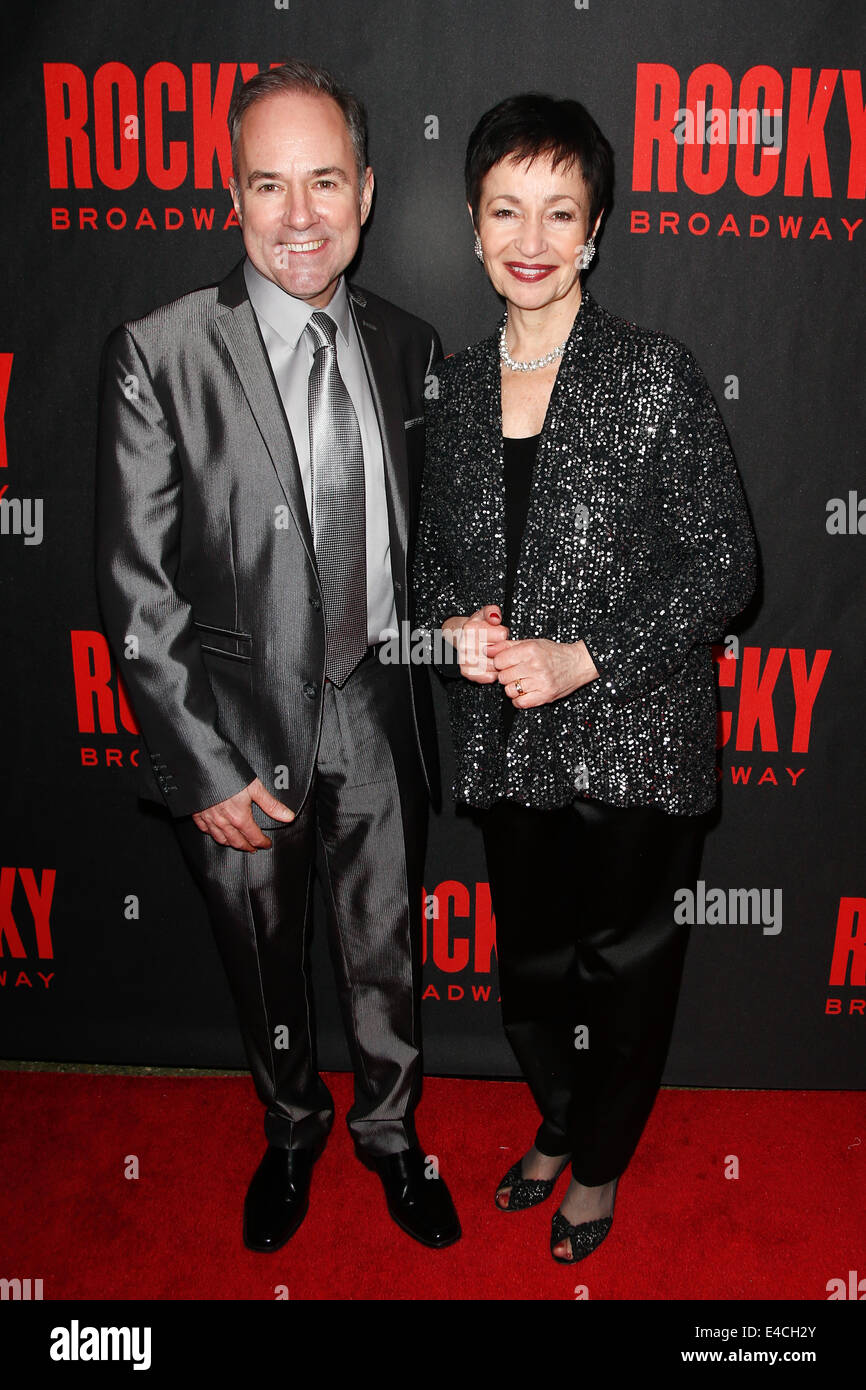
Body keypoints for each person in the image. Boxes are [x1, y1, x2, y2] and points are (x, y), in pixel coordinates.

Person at [95, 60, 460, 1253]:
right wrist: (199, 767)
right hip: (239, 730)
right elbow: (138, 588)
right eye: (268, 185)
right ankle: (291, 1131)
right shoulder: (159, 351)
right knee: (263, 966)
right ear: (230, 195)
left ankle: (394, 1139)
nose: (297, 217)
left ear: (363, 192)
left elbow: (429, 536)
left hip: (380, 707)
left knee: (386, 952)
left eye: (322, 183)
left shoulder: (410, 345)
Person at [413, 92, 756, 1263]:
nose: (531, 237)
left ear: (595, 230)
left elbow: (726, 566)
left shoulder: (652, 372)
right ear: (470, 223)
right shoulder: (451, 396)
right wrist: (451, 627)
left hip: (633, 740)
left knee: (621, 968)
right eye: (506, 208)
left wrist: (586, 655)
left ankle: (596, 1163)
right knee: (534, 970)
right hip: (508, 748)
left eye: (560, 212)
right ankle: (558, 1123)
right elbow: (427, 577)